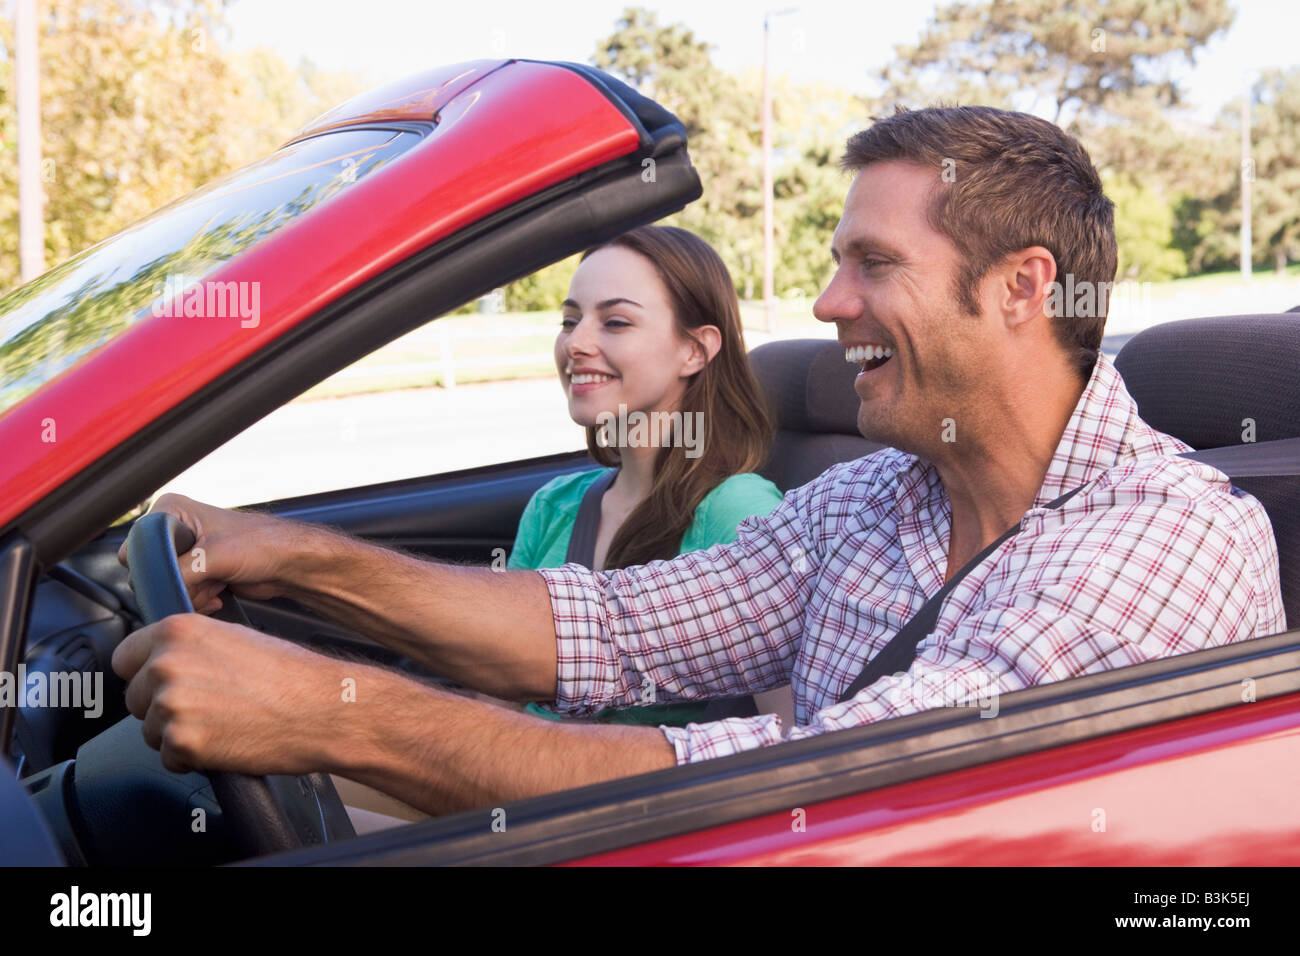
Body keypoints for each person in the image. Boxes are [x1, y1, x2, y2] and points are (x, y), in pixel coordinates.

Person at [113, 106, 1284, 817]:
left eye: (872, 263)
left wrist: (341, 716)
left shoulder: (1160, 538)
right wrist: (296, 555)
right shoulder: (879, 494)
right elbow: (614, 629)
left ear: (1023, 287)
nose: (828, 301)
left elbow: (823, 779)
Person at [507, 224, 783, 725]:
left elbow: (793, 733)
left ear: (695, 351)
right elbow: (500, 686)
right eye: (569, 321)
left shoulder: (738, 513)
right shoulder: (554, 504)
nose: (576, 343)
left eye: (614, 322)